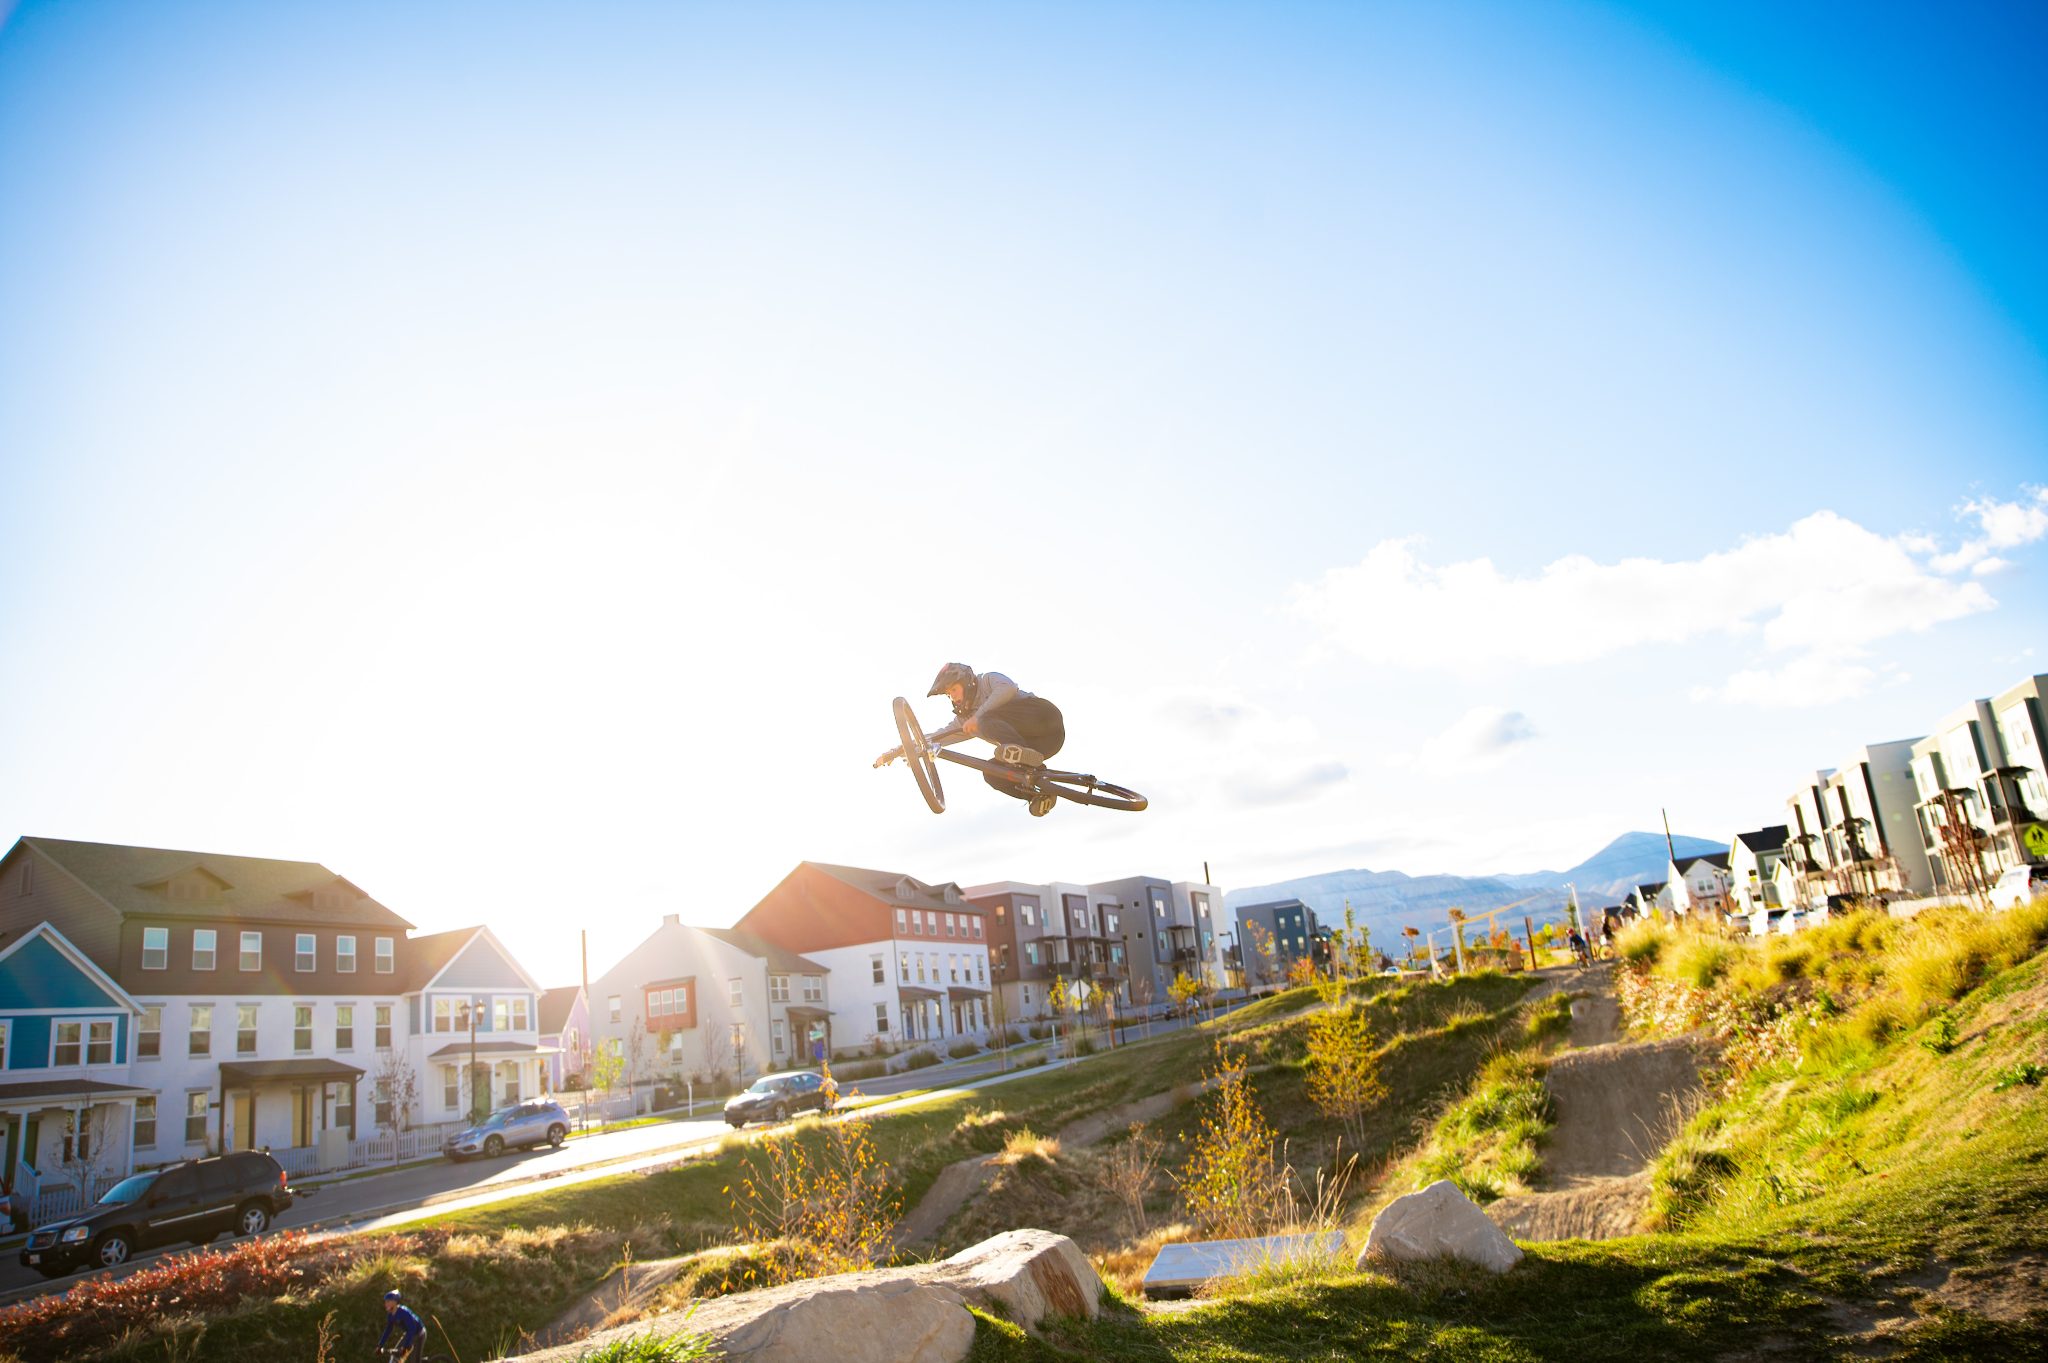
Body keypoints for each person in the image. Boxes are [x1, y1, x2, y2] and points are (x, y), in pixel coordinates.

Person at [876, 663, 1067, 817]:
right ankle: (1040, 794)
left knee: (986, 720)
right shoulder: (965, 720)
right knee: (991, 773)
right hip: (1043, 747)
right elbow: (938, 736)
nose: (953, 697)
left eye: (954, 689)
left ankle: (1022, 754)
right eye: (949, 694)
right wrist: (900, 750)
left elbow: (1008, 688)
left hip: (1045, 720)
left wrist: (978, 717)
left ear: (966, 683)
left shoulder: (988, 681)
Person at [377, 1289, 426, 1361]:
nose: (385, 1304)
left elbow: (412, 1329)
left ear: (394, 1302)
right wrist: (380, 1345)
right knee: (395, 1355)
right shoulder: (390, 1315)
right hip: (409, 1333)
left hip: (419, 1333)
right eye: (385, 1302)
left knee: (414, 1360)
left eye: (388, 1301)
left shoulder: (404, 1313)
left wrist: (406, 1346)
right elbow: (388, 1330)